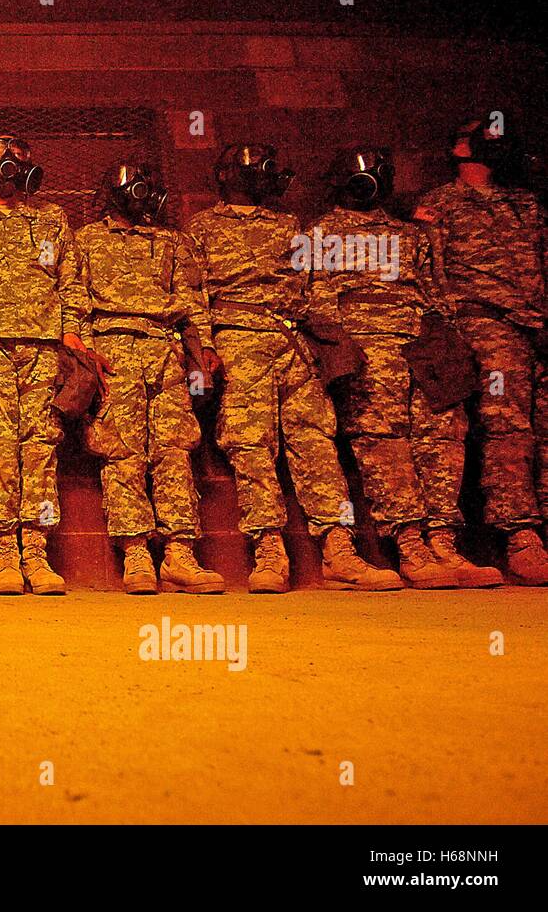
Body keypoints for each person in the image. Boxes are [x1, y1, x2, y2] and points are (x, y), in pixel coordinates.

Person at [185, 143, 402, 594]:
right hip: (238, 336)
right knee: (250, 443)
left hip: (292, 339)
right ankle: (268, 553)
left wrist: (326, 341)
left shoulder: (289, 225)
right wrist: (204, 345)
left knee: (314, 438)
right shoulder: (202, 228)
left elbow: (314, 284)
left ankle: (340, 550)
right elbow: (195, 293)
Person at [310, 146, 501, 588]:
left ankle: (443, 541)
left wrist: (449, 342)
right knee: (384, 441)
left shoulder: (411, 234)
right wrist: (341, 350)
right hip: (366, 345)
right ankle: (410, 544)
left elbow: (437, 291)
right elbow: (313, 298)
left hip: (421, 341)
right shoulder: (321, 232)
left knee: (443, 436)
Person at [75, 163, 226, 594]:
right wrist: (86, 352)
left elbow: (194, 300)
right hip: (113, 348)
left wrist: (204, 348)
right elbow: (73, 298)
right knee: (121, 451)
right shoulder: (87, 239)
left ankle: (180, 553)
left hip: (165, 347)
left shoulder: (171, 241)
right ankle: (136, 552)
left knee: (174, 447)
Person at [0, 135, 89, 595]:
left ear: (28, 166)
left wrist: (71, 331)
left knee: (41, 445)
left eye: (16, 162)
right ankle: (5, 553)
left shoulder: (52, 219)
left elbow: (71, 279)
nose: (7, 169)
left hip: (44, 346)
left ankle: (37, 552)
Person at [416, 115, 548, 585]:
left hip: (534, 327)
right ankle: (520, 535)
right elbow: (428, 272)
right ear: (460, 148)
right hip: (484, 324)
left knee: (539, 432)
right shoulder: (440, 205)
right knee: (506, 427)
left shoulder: (526, 205)